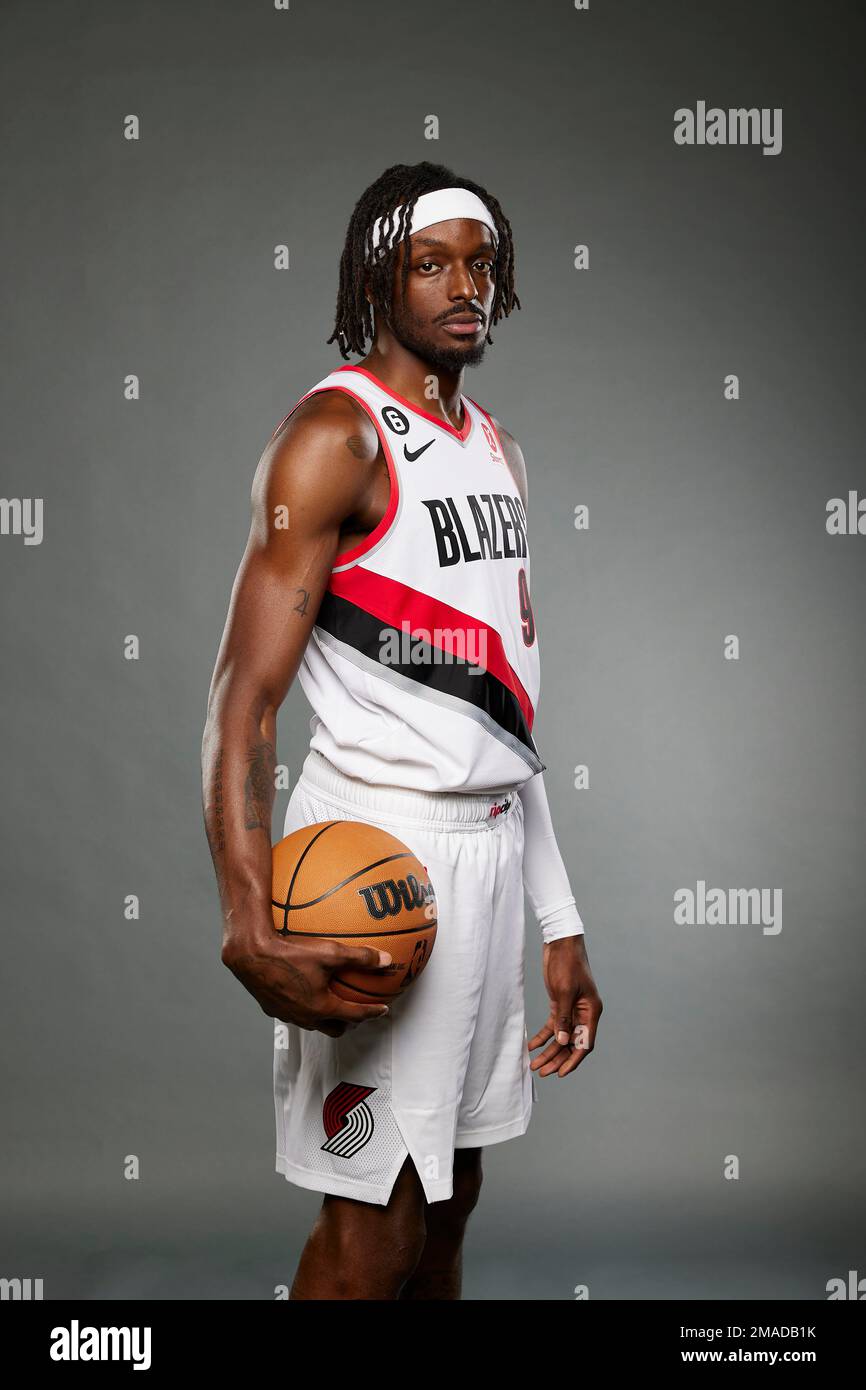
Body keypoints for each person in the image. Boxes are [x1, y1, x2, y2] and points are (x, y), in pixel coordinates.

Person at [201, 161, 603, 1300]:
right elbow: (241, 702)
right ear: (378, 282)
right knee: (376, 1215)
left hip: (490, 850)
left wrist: (559, 917)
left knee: (454, 1192)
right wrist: (245, 920)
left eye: (481, 264)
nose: (465, 287)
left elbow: (499, 711)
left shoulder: (498, 450)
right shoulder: (336, 439)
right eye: (432, 265)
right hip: (374, 857)